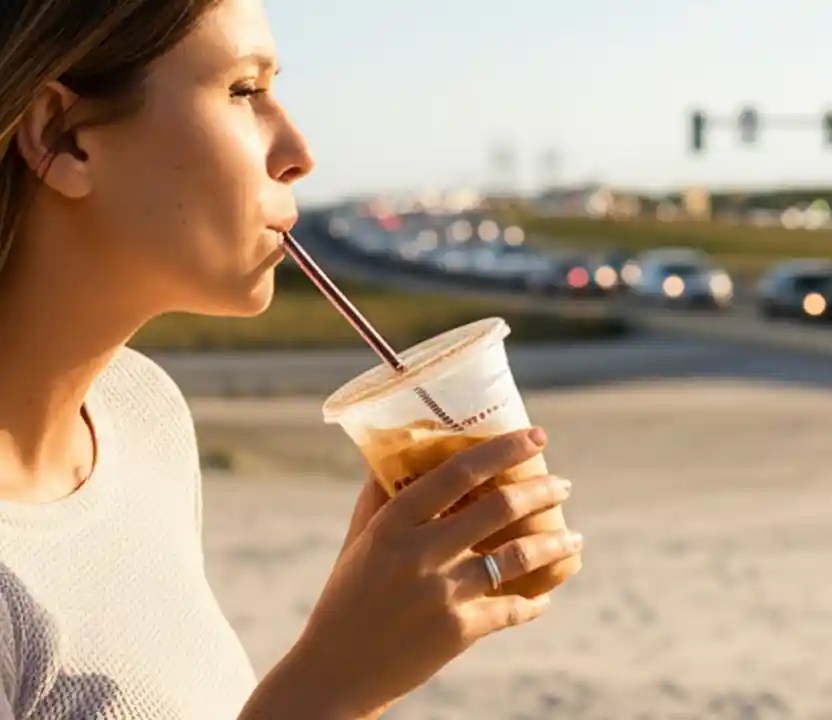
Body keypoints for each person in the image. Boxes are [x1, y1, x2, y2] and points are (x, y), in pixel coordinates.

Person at [0, 0, 584, 717]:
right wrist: (334, 682)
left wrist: (364, 646)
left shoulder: (140, 415)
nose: (301, 150)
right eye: (245, 91)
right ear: (63, 136)